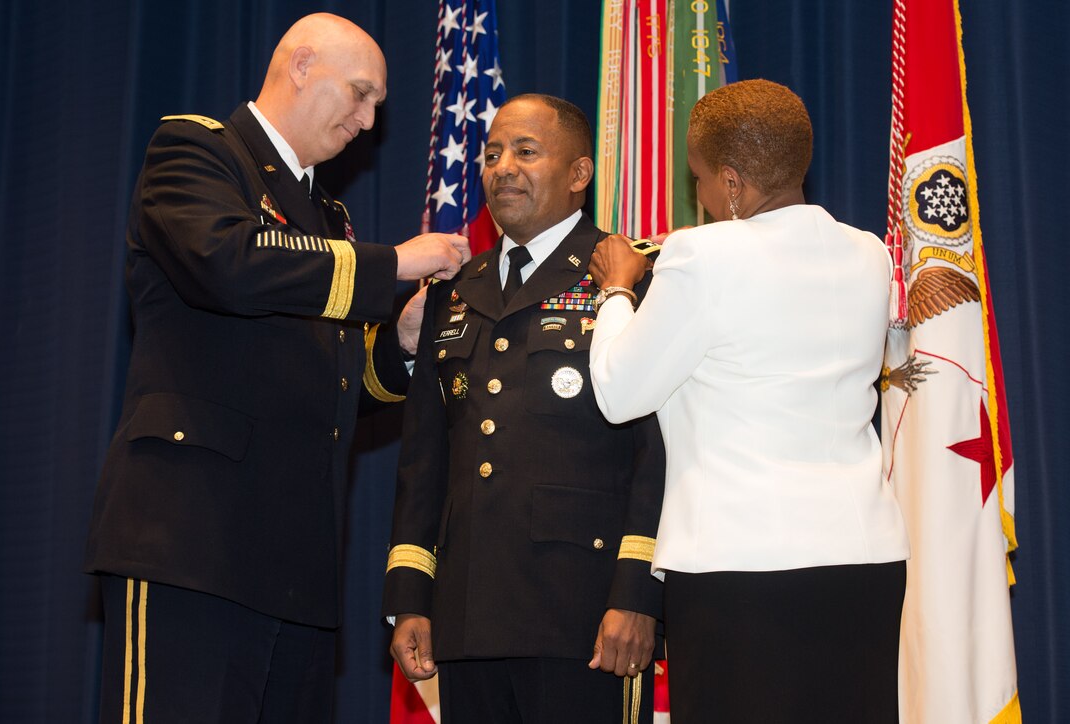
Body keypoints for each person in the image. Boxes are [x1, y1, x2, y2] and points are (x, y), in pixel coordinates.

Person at [83, 13, 470, 723]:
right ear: (299, 67)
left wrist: (402, 345)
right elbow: (226, 264)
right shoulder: (197, 151)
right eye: (359, 94)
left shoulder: (328, 217)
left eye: (378, 105)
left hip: (296, 560)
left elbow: (334, 379)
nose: (367, 120)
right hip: (189, 539)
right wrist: (394, 263)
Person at [588, 79, 911, 724]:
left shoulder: (702, 255)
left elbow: (619, 393)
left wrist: (617, 292)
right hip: (864, 559)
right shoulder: (869, 253)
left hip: (740, 567)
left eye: (701, 179)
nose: (700, 196)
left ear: (733, 184)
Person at [382, 94, 664, 723]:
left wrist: (638, 593)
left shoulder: (630, 277)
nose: (502, 166)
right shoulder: (455, 293)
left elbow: (658, 452)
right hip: (467, 613)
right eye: (490, 153)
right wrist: (411, 596)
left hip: (586, 616)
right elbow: (424, 462)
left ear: (579, 174)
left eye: (525, 151)